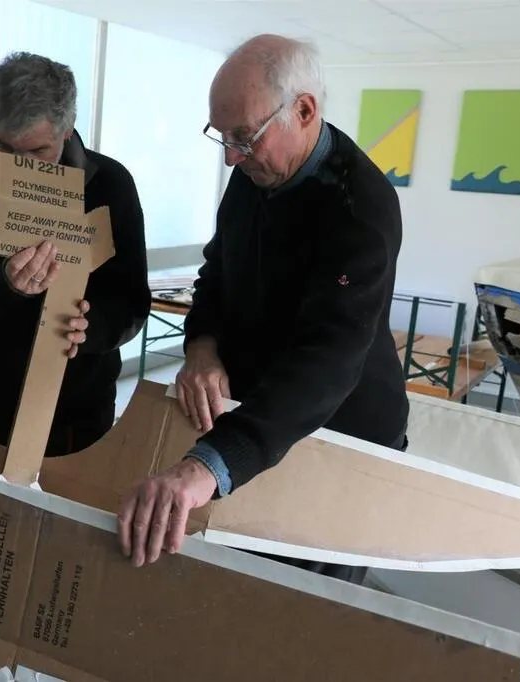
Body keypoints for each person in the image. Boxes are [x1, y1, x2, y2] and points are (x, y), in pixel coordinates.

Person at [117, 35, 410, 584]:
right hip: (261, 412)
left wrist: (210, 463)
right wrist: (202, 348)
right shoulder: (256, 171)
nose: (231, 155)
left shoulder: (362, 208)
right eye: (222, 136)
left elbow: (328, 359)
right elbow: (217, 272)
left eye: (244, 137)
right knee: (232, 579)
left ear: (304, 111)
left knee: (297, 606)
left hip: (344, 436)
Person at [0, 52, 151, 457]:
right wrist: (3, 284)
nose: (21, 168)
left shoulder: (112, 184)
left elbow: (132, 302)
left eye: (39, 151)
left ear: (68, 129)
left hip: (77, 408)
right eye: (5, 148)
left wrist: (90, 328)